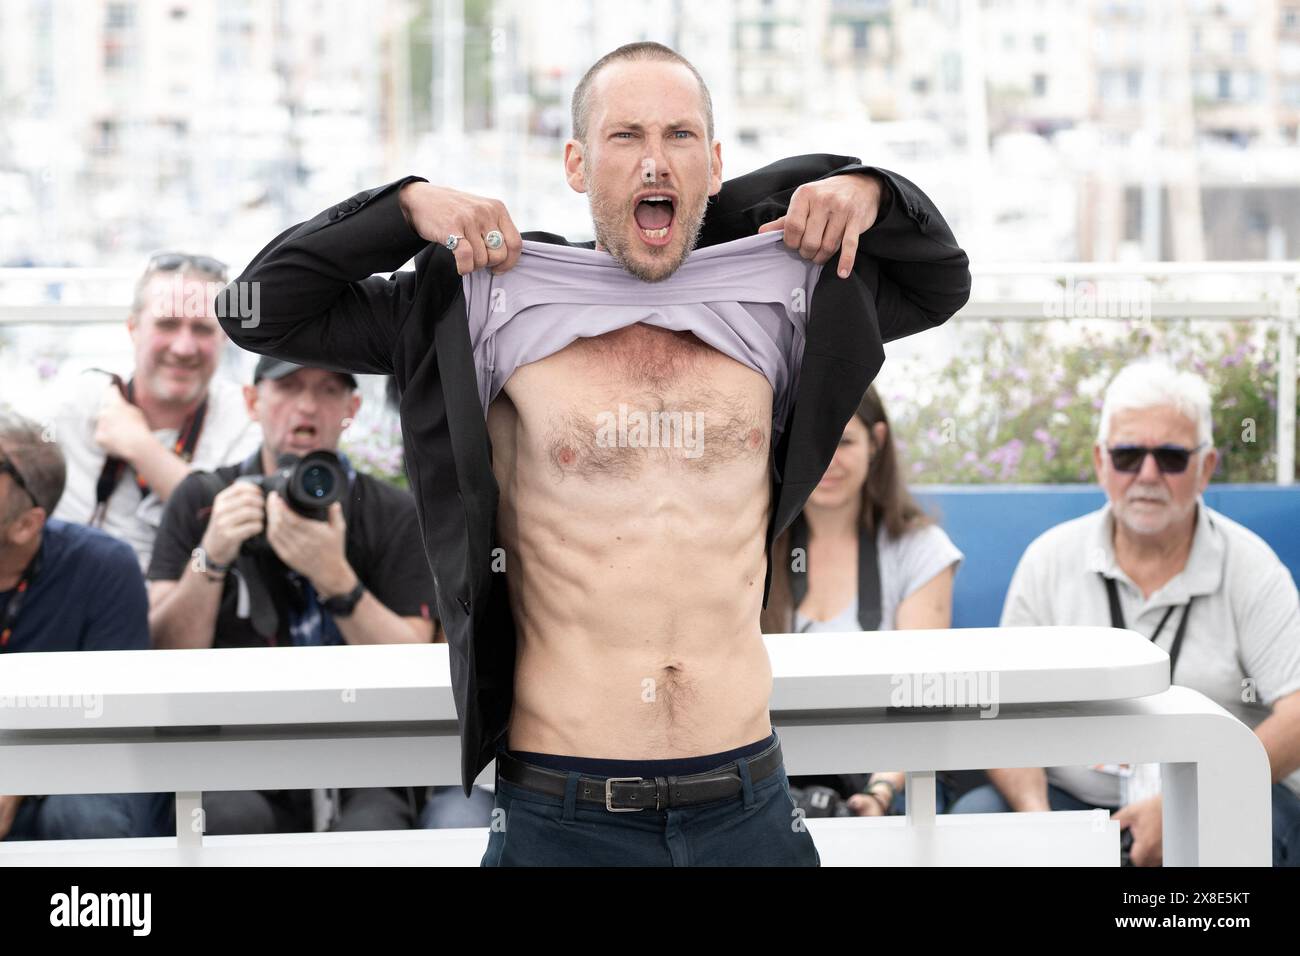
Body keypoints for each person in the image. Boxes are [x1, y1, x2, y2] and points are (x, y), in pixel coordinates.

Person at [217, 42, 971, 866]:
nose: (656, 160)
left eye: (681, 136)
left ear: (715, 165)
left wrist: (873, 191)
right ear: (577, 164)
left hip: (749, 801)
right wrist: (401, 208)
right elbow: (256, 311)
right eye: (626, 136)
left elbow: (941, 284)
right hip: (563, 809)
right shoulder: (483, 305)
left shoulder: (778, 301)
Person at [950, 361, 1300, 867]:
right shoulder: (1049, 560)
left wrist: (1187, 804)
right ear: (1100, 462)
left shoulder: (1251, 568)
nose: (1148, 476)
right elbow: (1001, 709)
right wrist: (1039, 819)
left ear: (1205, 468)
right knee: (972, 829)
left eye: (1172, 458)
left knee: (1241, 835)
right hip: (1069, 799)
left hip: (1217, 791)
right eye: (1128, 455)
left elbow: (1297, 710)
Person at [145, 356, 438, 834]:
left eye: (328, 390)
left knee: (374, 834)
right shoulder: (203, 500)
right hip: (235, 747)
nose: (307, 406)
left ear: (352, 407)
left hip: (362, 751)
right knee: (232, 821)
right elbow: (164, 654)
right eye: (288, 387)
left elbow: (411, 664)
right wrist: (212, 556)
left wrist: (335, 579)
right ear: (252, 401)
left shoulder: (391, 512)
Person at [763, 385, 964, 817]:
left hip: (890, 776)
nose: (828, 460)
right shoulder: (752, 548)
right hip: (770, 772)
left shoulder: (920, 550)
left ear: (877, 442)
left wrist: (880, 791)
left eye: (845, 441)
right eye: (812, 442)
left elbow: (924, 697)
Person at [0, 410, 169, 841]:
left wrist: (20, 776)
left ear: (26, 525)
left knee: (87, 813)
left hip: (71, 761)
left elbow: (114, 718)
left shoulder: (102, 567)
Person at [50, 252, 261, 571]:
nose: (184, 348)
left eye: (203, 329)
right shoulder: (77, 403)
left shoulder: (245, 419)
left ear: (225, 337)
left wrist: (140, 447)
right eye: (168, 324)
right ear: (133, 328)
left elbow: (246, 533)